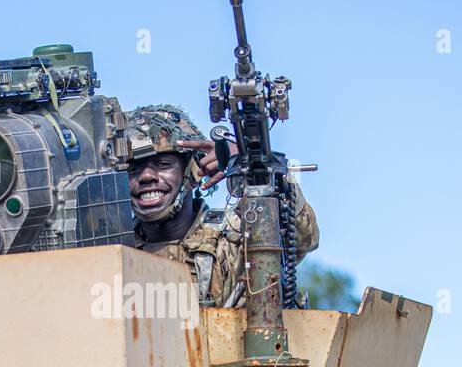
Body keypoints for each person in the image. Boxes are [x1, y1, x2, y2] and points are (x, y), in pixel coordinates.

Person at [124, 104, 318, 307]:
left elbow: (302, 238)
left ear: (193, 170)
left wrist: (250, 169)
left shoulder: (234, 235)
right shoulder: (115, 248)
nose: (146, 176)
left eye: (163, 164)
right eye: (133, 168)